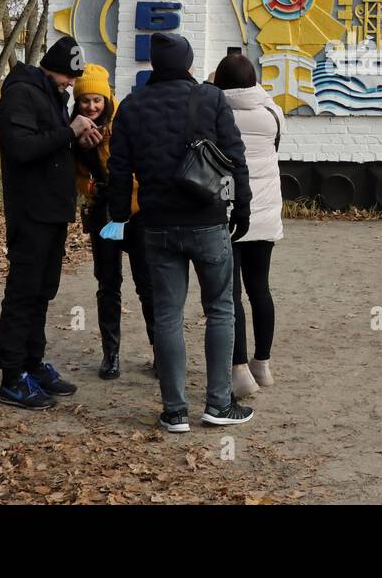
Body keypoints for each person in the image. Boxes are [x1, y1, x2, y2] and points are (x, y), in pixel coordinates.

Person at [103, 32, 254, 433]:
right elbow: (236, 157)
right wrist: (242, 206)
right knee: (220, 309)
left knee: (168, 314)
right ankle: (219, 404)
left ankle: (175, 411)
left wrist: (119, 218)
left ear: (153, 64)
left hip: (157, 225)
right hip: (207, 220)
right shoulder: (210, 99)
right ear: (187, 62)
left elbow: (118, 171)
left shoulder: (131, 107)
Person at [0, 36, 99, 409]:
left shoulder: (55, 96)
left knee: (43, 291)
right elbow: (22, 148)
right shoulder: (21, 93)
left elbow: (52, 146)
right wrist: (68, 131)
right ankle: (11, 376)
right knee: (23, 292)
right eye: (68, 77)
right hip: (30, 211)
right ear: (49, 67)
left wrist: (78, 142)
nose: (71, 84)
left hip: (54, 211)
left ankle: (32, 363)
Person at [71, 63, 153, 380]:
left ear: (108, 99)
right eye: (84, 101)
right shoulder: (75, 131)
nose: (92, 107)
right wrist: (90, 185)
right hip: (101, 214)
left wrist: (104, 148)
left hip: (135, 213)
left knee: (148, 286)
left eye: (97, 100)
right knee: (108, 285)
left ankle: (161, 352)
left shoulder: (125, 125)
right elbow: (77, 178)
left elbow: (141, 170)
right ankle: (112, 355)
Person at [212, 52, 283, 398]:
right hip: (264, 213)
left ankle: (239, 371)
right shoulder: (272, 113)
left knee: (231, 294)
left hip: (227, 214)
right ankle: (263, 364)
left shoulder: (214, 112)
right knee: (261, 290)